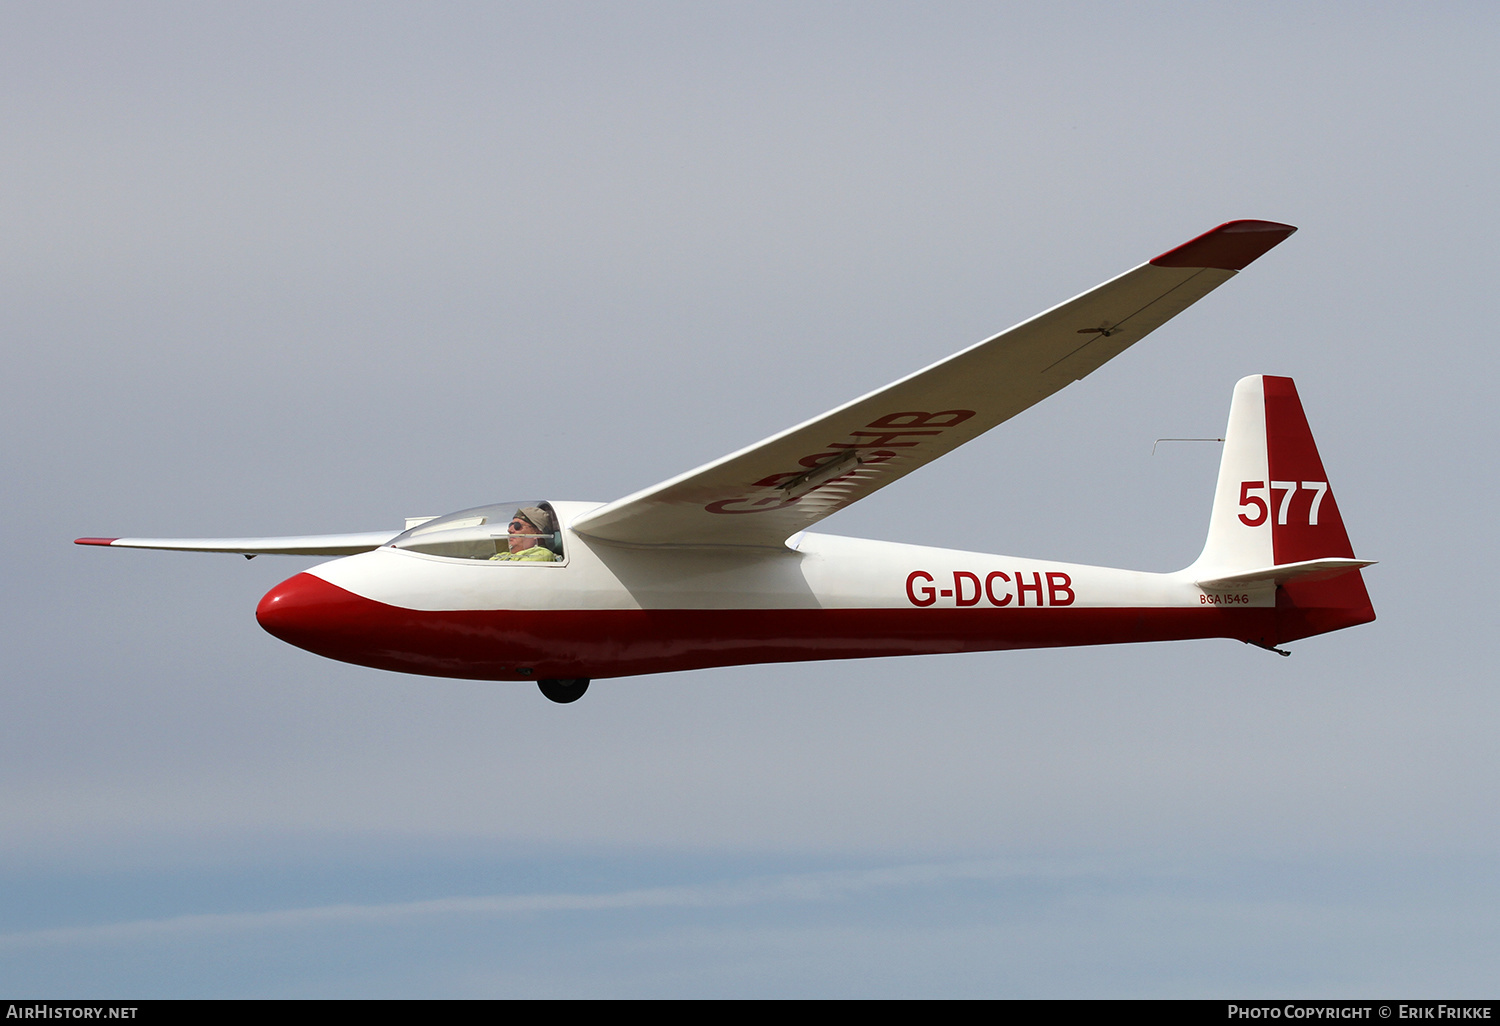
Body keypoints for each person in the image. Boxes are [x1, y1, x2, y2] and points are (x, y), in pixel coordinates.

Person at [489, 505, 558, 562]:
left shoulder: (542, 554)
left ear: (537, 533)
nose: (509, 530)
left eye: (517, 525)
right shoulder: (503, 555)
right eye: (510, 525)